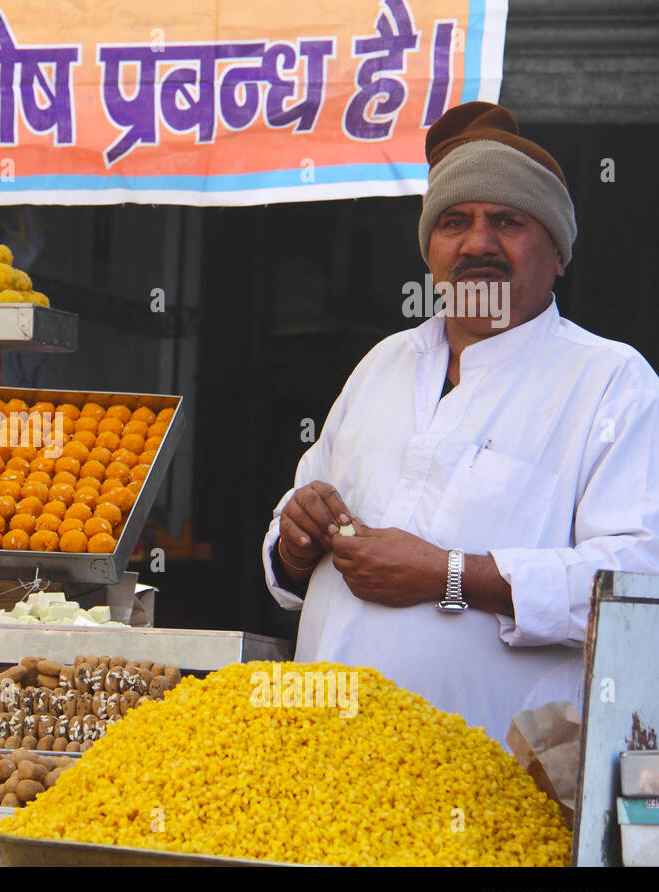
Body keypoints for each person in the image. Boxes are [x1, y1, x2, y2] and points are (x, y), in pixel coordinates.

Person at [262, 101, 659, 739]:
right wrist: (295, 538)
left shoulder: (612, 381)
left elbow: (636, 584)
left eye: (507, 220)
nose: (478, 244)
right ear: (431, 251)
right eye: (455, 222)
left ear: (557, 253)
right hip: (326, 766)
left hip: (493, 784)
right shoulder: (382, 364)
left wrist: (446, 573)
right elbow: (289, 550)